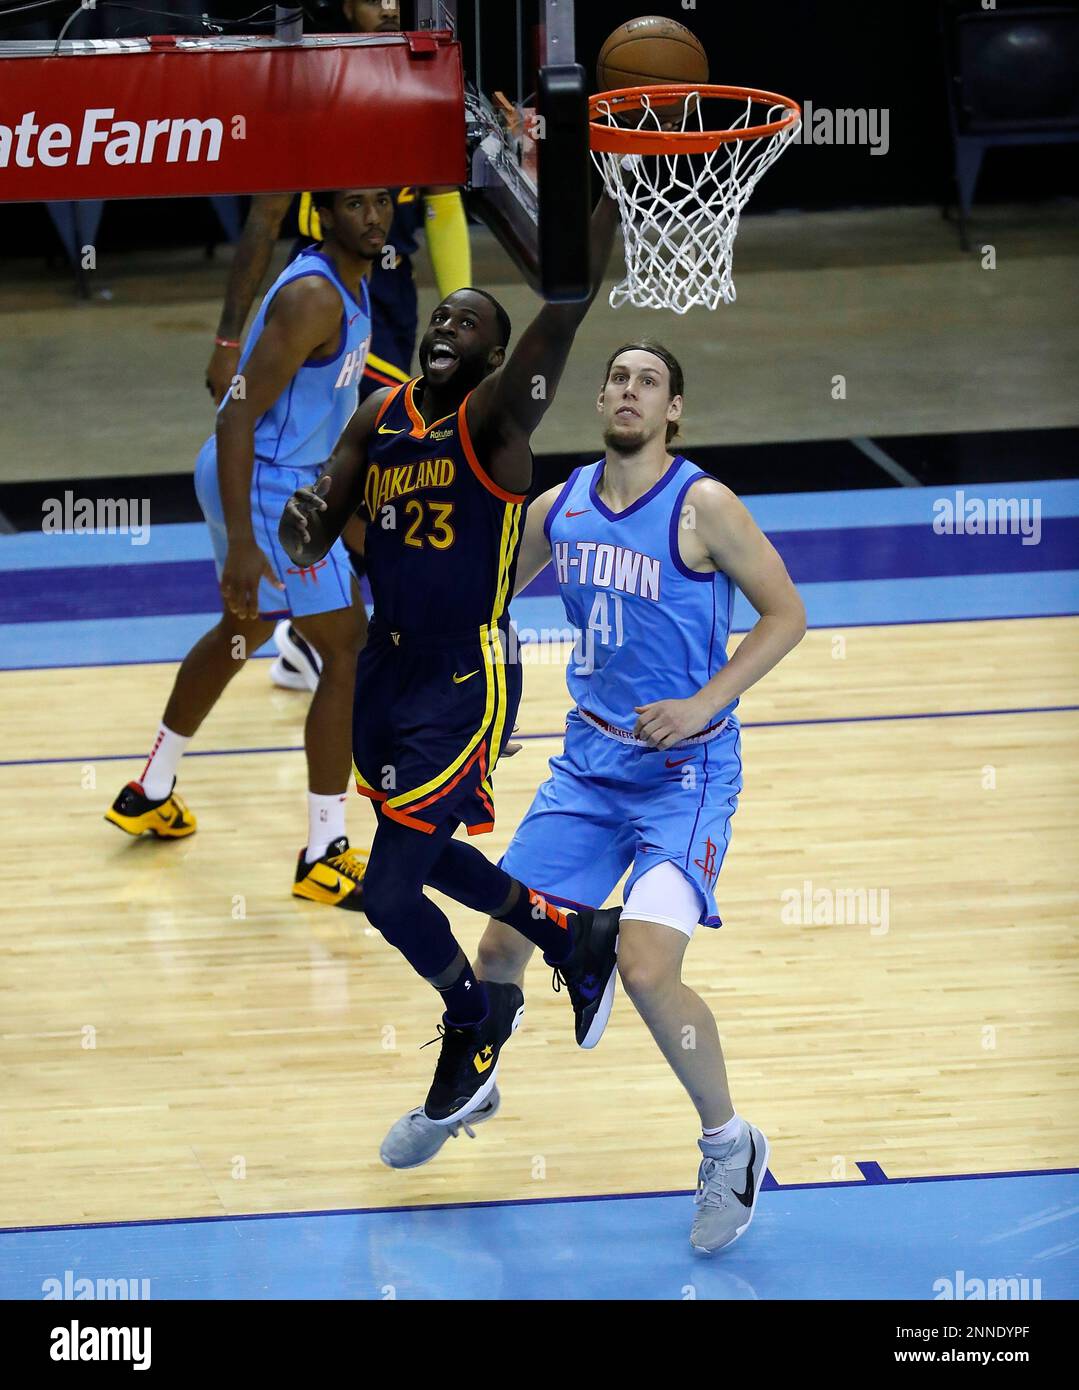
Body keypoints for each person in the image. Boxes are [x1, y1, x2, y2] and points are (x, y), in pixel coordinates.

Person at [380, 341, 807, 1256]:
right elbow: (480, 598)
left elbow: (785, 614)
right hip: (588, 765)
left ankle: (729, 1146)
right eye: (617, 377)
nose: (627, 390)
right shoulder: (560, 507)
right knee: (499, 943)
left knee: (647, 970)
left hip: (684, 775)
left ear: (674, 411)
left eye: (648, 381)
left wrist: (702, 702)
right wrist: (485, 713)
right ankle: (479, 1063)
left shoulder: (703, 506)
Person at [280, 195, 626, 1125]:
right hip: (385, 669)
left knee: (388, 886)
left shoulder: (497, 421)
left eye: (467, 322)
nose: (445, 325)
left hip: (464, 674)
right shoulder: (380, 413)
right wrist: (304, 519)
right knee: (419, 853)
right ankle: (568, 932)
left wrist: (606, 194)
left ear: (488, 354)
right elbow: (317, 509)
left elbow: (564, 311)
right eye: (439, 313)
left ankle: (473, 1021)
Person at [106, 189, 395, 910]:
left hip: (277, 479)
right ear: (322, 216)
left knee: (244, 631)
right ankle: (325, 852)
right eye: (355, 204)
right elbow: (237, 409)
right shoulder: (314, 299)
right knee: (346, 648)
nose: (373, 216)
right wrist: (243, 538)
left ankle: (151, 788)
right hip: (265, 486)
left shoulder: (347, 286)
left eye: (383, 201)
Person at [201, 0, 473, 693]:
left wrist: (462, 325)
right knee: (376, 479)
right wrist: (230, 336)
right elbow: (264, 216)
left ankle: (326, 636)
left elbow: (442, 205)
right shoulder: (310, 85)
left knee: (377, 479)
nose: (383, 5)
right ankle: (333, 636)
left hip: (391, 297)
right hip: (331, 286)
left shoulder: (420, 75)